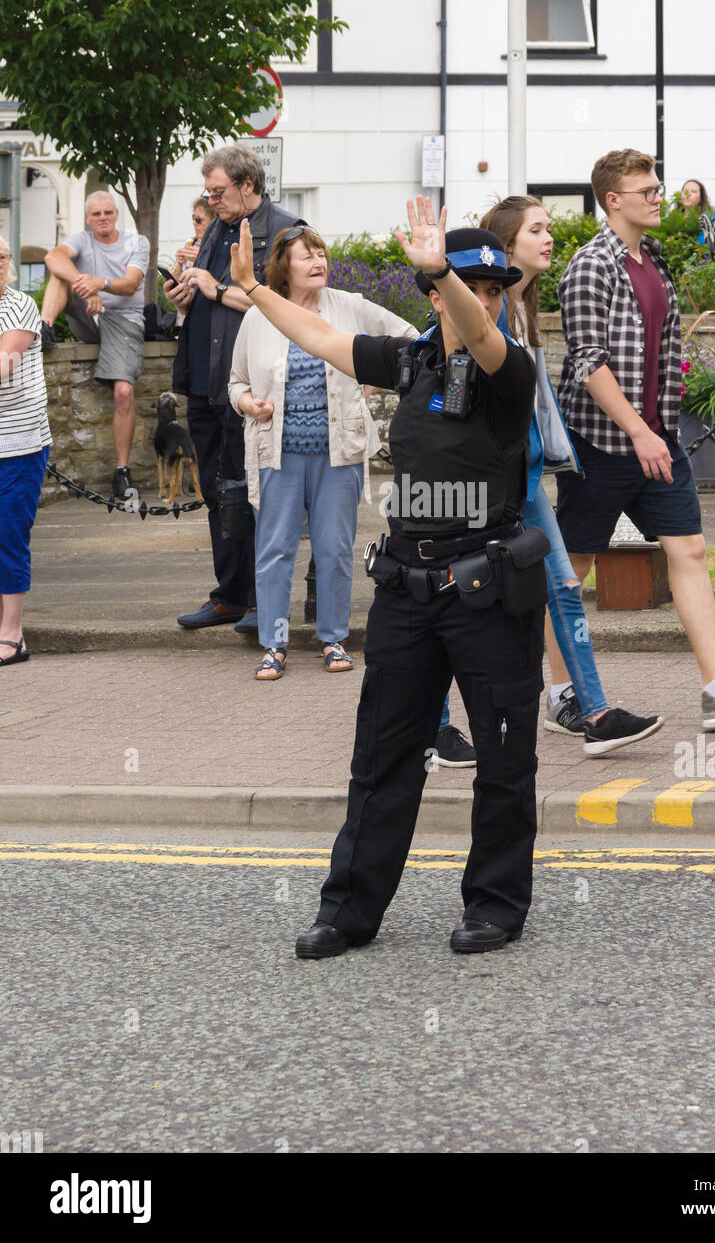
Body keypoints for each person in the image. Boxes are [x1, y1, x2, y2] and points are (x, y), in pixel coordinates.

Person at [231, 202, 546, 959]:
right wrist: (252, 288)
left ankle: (495, 906)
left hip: (486, 589)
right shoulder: (411, 360)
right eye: (474, 287)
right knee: (381, 758)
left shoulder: (510, 371)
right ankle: (350, 912)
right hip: (410, 586)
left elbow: (477, 333)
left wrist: (442, 268)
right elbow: (322, 336)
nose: (489, 299)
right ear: (432, 300)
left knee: (503, 759)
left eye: (498, 289)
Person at [555, 148, 715, 731]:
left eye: (658, 186)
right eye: (647, 189)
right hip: (601, 445)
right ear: (613, 200)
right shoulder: (590, 266)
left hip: (658, 440)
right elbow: (588, 361)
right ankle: (562, 694)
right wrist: (638, 432)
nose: (658, 195)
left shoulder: (653, 259)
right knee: (572, 570)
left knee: (688, 552)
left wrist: (658, 429)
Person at [479, 194, 663, 755]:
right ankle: (435, 726)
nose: (549, 236)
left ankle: (595, 713)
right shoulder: (487, 309)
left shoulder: (522, 307)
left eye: (548, 227)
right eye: (537, 229)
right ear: (507, 245)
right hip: (486, 482)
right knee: (461, 597)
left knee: (562, 585)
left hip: (527, 476)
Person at [228, 224, 416, 679]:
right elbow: (236, 383)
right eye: (305, 256)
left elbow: (410, 337)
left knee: (334, 551)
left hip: (340, 454)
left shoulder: (348, 307)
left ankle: (333, 639)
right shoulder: (260, 315)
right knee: (274, 551)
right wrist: (248, 403)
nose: (318, 262)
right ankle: (273, 645)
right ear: (284, 267)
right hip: (279, 454)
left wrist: (378, 374)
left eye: (321, 254)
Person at [165, 145, 301, 635]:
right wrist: (180, 296)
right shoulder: (218, 228)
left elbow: (287, 305)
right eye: (208, 192)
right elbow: (202, 294)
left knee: (256, 496)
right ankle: (230, 596)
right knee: (217, 495)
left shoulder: (286, 229)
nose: (213, 201)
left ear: (248, 185)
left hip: (250, 387)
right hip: (204, 383)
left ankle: (264, 601)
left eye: (219, 192)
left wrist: (215, 290)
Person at [42, 192, 149, 501]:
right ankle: (45, 327)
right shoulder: (81, 240)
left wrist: (98, 284)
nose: (102, 218)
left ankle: (122, 471)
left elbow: (130, 284)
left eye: (107, 212)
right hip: (89, 314)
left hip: (123, 320)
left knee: (124, 391)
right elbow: (52, 257)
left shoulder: (135, 242)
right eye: (96, 214)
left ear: (116, 214)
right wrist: (86, 288)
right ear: (88, 219)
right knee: (61, 269)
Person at [0, 236, 51, 665]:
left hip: (18, 444)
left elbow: (5, 363)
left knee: (9, 534)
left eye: (0, 258)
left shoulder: (19, 306)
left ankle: (12, 636)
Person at [170, 198, 216, 326]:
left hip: (206, 315)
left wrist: (202, 260)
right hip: (185, 315)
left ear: (213, 221)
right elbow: (174, 282)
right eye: (193, 218)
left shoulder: (215, 246)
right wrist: (179, 263)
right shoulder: (191, 243)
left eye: (199, 220)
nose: (194, 223)